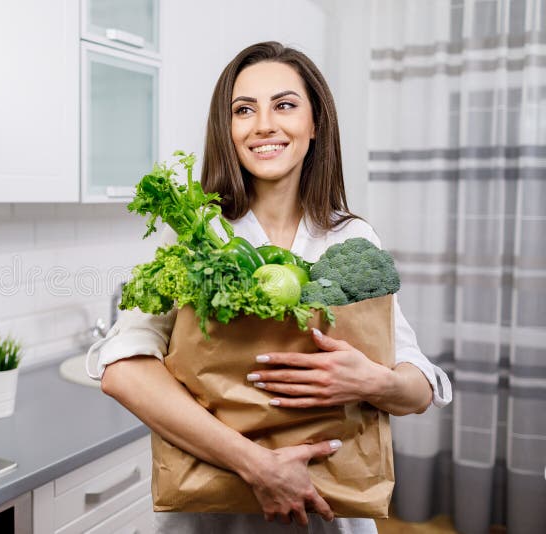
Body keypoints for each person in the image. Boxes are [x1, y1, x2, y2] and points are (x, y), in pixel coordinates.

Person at [86, 41, 452, 534]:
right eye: (243, 110)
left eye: (284, 105)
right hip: (216, 515)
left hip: (331, 515)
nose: (263, 125)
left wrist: (372, 381)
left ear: (315, 122)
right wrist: (256, 466)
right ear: (228, 128)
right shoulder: (198, 232)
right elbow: (122, 371)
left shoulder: (352, 237)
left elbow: (419, 388)